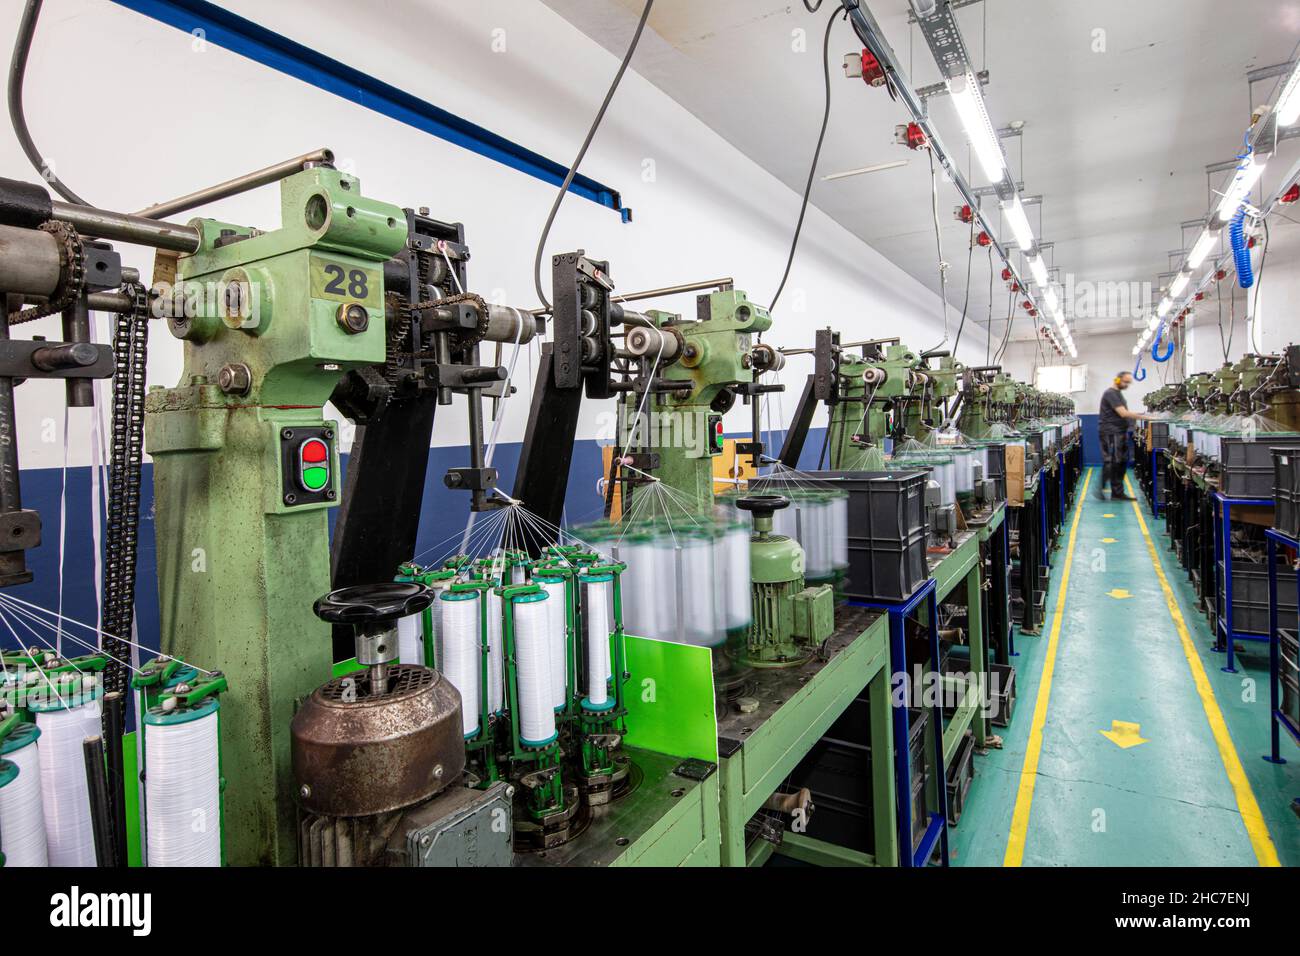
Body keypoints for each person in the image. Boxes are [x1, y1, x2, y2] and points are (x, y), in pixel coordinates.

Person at [1097, 370, 1152, 500]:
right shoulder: (1110, 393)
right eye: (1125, 382)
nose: (1127, 385)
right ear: (1117, 380)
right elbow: (1123, 413)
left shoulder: (1118, 394)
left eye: (1129, 383)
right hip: (1110, 432)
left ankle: (1117, 493)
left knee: (1120, 462)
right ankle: (1101, 489)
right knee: (1112, 461)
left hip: (1119, 431)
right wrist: (1145, 416)